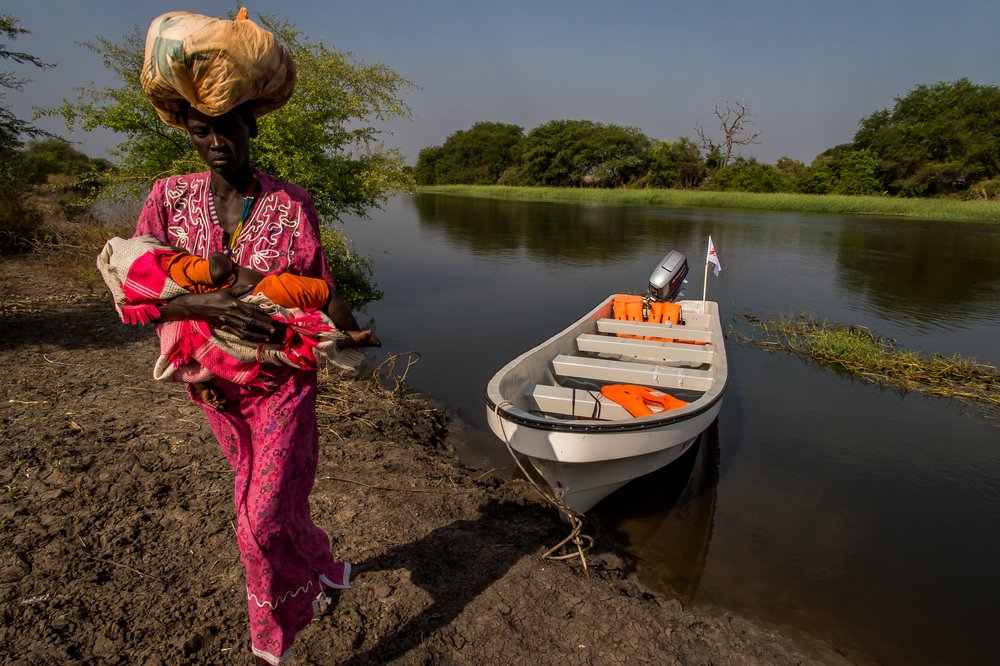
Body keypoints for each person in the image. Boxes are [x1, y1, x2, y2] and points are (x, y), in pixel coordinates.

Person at [131, 100, 364, 665]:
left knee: (259, 516)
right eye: (201, 131)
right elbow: (135, 292)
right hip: (214, 383)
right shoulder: (167, 199)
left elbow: (317, 287)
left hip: (285, 379)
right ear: (189, 136)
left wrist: (351, 335)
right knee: (269, 497)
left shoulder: (290, 204)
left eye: (228, 127)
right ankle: (329, 565)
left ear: (251, 127)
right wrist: (205, 308)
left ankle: (271, 637)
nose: (217, 142)